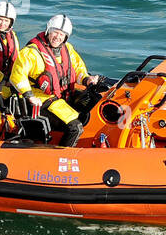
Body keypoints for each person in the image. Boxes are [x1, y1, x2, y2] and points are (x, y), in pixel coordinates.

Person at [10, 13, 100, 147]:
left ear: (66, 37)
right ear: (48, 31)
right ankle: (62, 157)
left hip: (62, 95)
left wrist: (87, 79)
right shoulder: (31, 52)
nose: (57, 37)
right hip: (41, 100)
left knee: (92, 101)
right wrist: (29, 96)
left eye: (61, 35)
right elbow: (17, 76)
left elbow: (78, 69)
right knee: (76, 127)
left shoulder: (67, 49)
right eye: (55, 32)